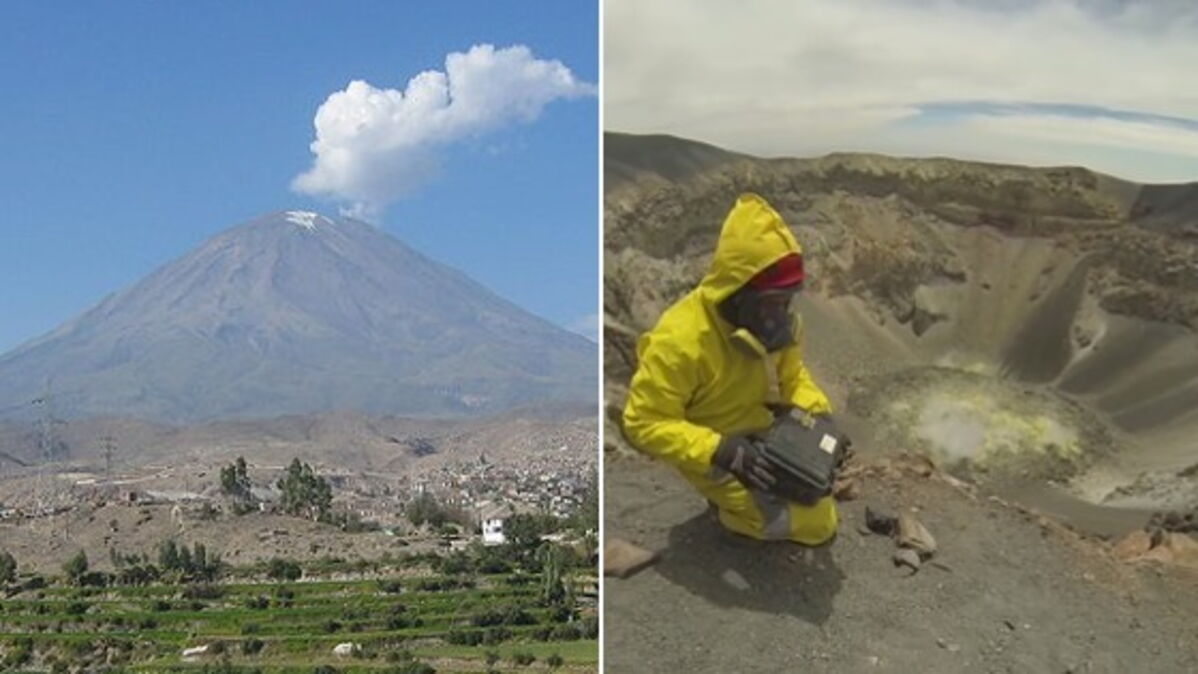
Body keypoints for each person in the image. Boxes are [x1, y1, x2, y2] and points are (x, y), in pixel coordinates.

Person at [622, 192, 839, 546]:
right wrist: (720, 450)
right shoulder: (679, 341)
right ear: (739, 294)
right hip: (714, 450)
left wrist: (818, 415)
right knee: (816, 525)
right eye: (772, 303)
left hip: (764, 439)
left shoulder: (775, 328)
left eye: (787, 301)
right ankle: (731, 513)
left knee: (815, 490)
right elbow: (643, 422)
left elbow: (793, 379)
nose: (782, 314)